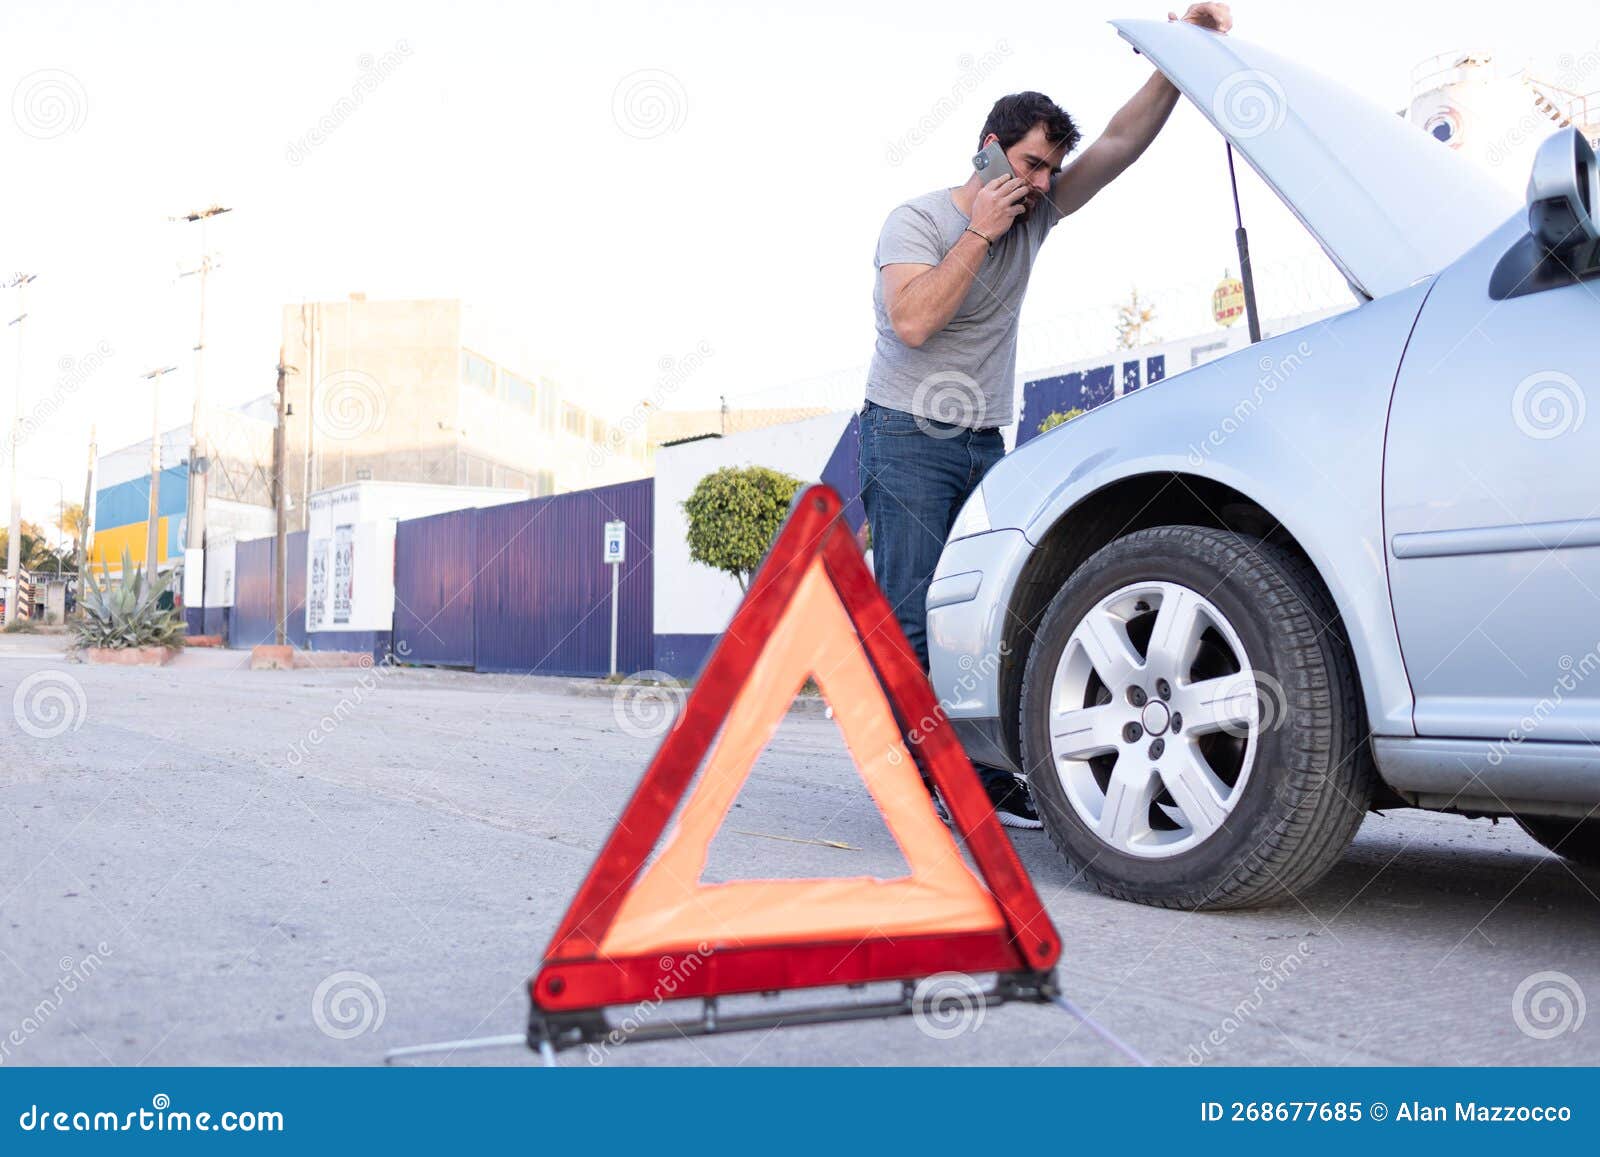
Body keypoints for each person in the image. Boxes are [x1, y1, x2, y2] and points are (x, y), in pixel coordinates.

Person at [858, 4, 1233, 829]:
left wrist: (1176, 61)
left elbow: (1119, 144)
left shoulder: (1041, 210)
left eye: (1046, 171)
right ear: (988, 148)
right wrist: (979, 236)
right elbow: (914, 321)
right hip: (905, 438)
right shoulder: (919, 220)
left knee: (991, 611)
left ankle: (981, 774)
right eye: (1028, 164)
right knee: (913, 615)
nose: (1037, 183)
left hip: (986, 440)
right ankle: (919, 783)